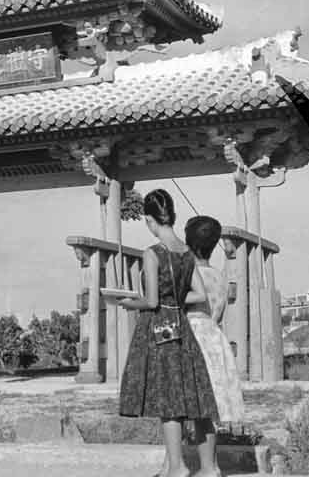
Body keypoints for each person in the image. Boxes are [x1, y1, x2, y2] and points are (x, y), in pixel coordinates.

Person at [118, 189, 220, 477]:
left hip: (157, 328)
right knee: (187, 395)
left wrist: (127, 303)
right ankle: (181, 466)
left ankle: (177, 467)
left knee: (168, 400)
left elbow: (149, 301)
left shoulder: (153, 253)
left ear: (150, 220)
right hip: (181, 328)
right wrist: (174, 296)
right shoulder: (186, 253)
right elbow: (199, 294)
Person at [184, 215, 246, 475]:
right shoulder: (219, 276)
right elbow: (219, 311)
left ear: (188, 242)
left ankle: (197, 465)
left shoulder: (188, 275)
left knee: (185, 408)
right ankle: (210, 466)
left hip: (192, 336)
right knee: (206, 411)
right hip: (213, 335)